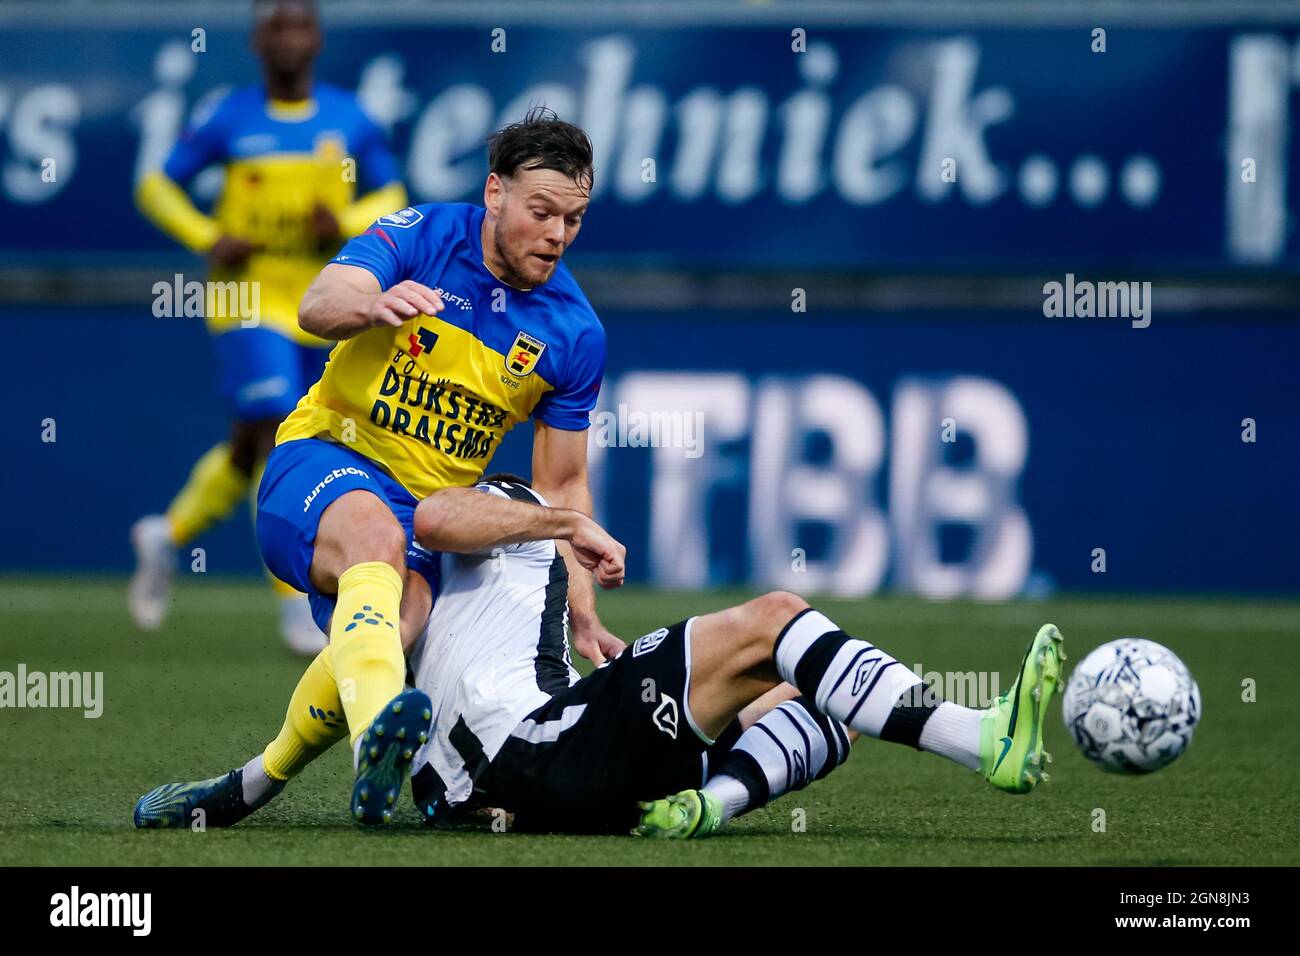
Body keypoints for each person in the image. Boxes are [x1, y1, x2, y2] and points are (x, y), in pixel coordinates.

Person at [134, 477, 1066, 836]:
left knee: (813, 697)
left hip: (545, 744)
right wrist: (564, 520)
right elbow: (432, 525)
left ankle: (710, 803)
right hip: (526, 749)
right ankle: (982, 737)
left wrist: (243, 787)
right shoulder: (432, 527)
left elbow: (350, 667)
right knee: (778, 614)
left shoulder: (394, 601)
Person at [247, 103, 621, 823]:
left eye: (573, 220)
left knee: (404, 618)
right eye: (541, 211)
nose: (556, 235)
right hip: (324, 459)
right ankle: (375, 751)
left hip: (422, 515)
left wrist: (582, 612)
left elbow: (563, 487)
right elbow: (319, 303)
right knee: (375, 545)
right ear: (494, 192)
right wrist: (374, 304)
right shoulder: (423, 235)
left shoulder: (574, 333)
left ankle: (258, 780)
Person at [130, 0, 407, 654]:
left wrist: (342, 224)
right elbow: (157, 186)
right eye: (276, 26)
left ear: (316, 39)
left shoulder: (348, 117)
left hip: (322, 299)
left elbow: (391, 197)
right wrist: (206, 234)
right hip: (247, 298)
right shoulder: (230, 116)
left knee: (260, 446)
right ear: (258, 40)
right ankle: (294, 603)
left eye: (300, 26)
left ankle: (166, 535)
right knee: (280, 421)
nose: (289, 39)